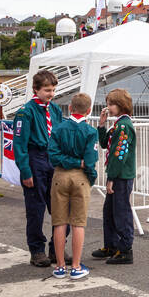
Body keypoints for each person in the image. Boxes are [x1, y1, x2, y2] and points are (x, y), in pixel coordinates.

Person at [14, 70, 65, 267]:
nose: (50, 94)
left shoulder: (55, 110)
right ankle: (37, 250)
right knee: (35, 209)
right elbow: (19, 145)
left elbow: (60, 135)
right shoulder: (25, 112)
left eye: (53, 90)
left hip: (53, 158)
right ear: (36, 89)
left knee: (60, 207)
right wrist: (26, 171)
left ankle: (57, 247)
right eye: (46, 90)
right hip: (36, 158)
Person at [48, 93, 99, 280]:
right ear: (89, 110)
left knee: (59, 222)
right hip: (81, 178)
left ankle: (60, 265)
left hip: (60, 174)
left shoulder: (58, 129)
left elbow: (53, 156)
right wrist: (85, 170)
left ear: (70, 108)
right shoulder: (90, 131)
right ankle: (76, 266)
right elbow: (91, 161)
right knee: (78, 222)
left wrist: (69, 161)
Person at [92, 88, 136, 265]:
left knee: (121, 211)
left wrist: (111, 177)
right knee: (109, 211)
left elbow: (119, 154)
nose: (108, 107)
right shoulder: (117, 124)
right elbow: (104, 144)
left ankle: (125, 248)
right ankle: (111, 244)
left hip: (121, 176)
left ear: (121, 105)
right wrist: (102, 126)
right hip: (117, 174)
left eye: (111, 104)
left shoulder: (124, 126)